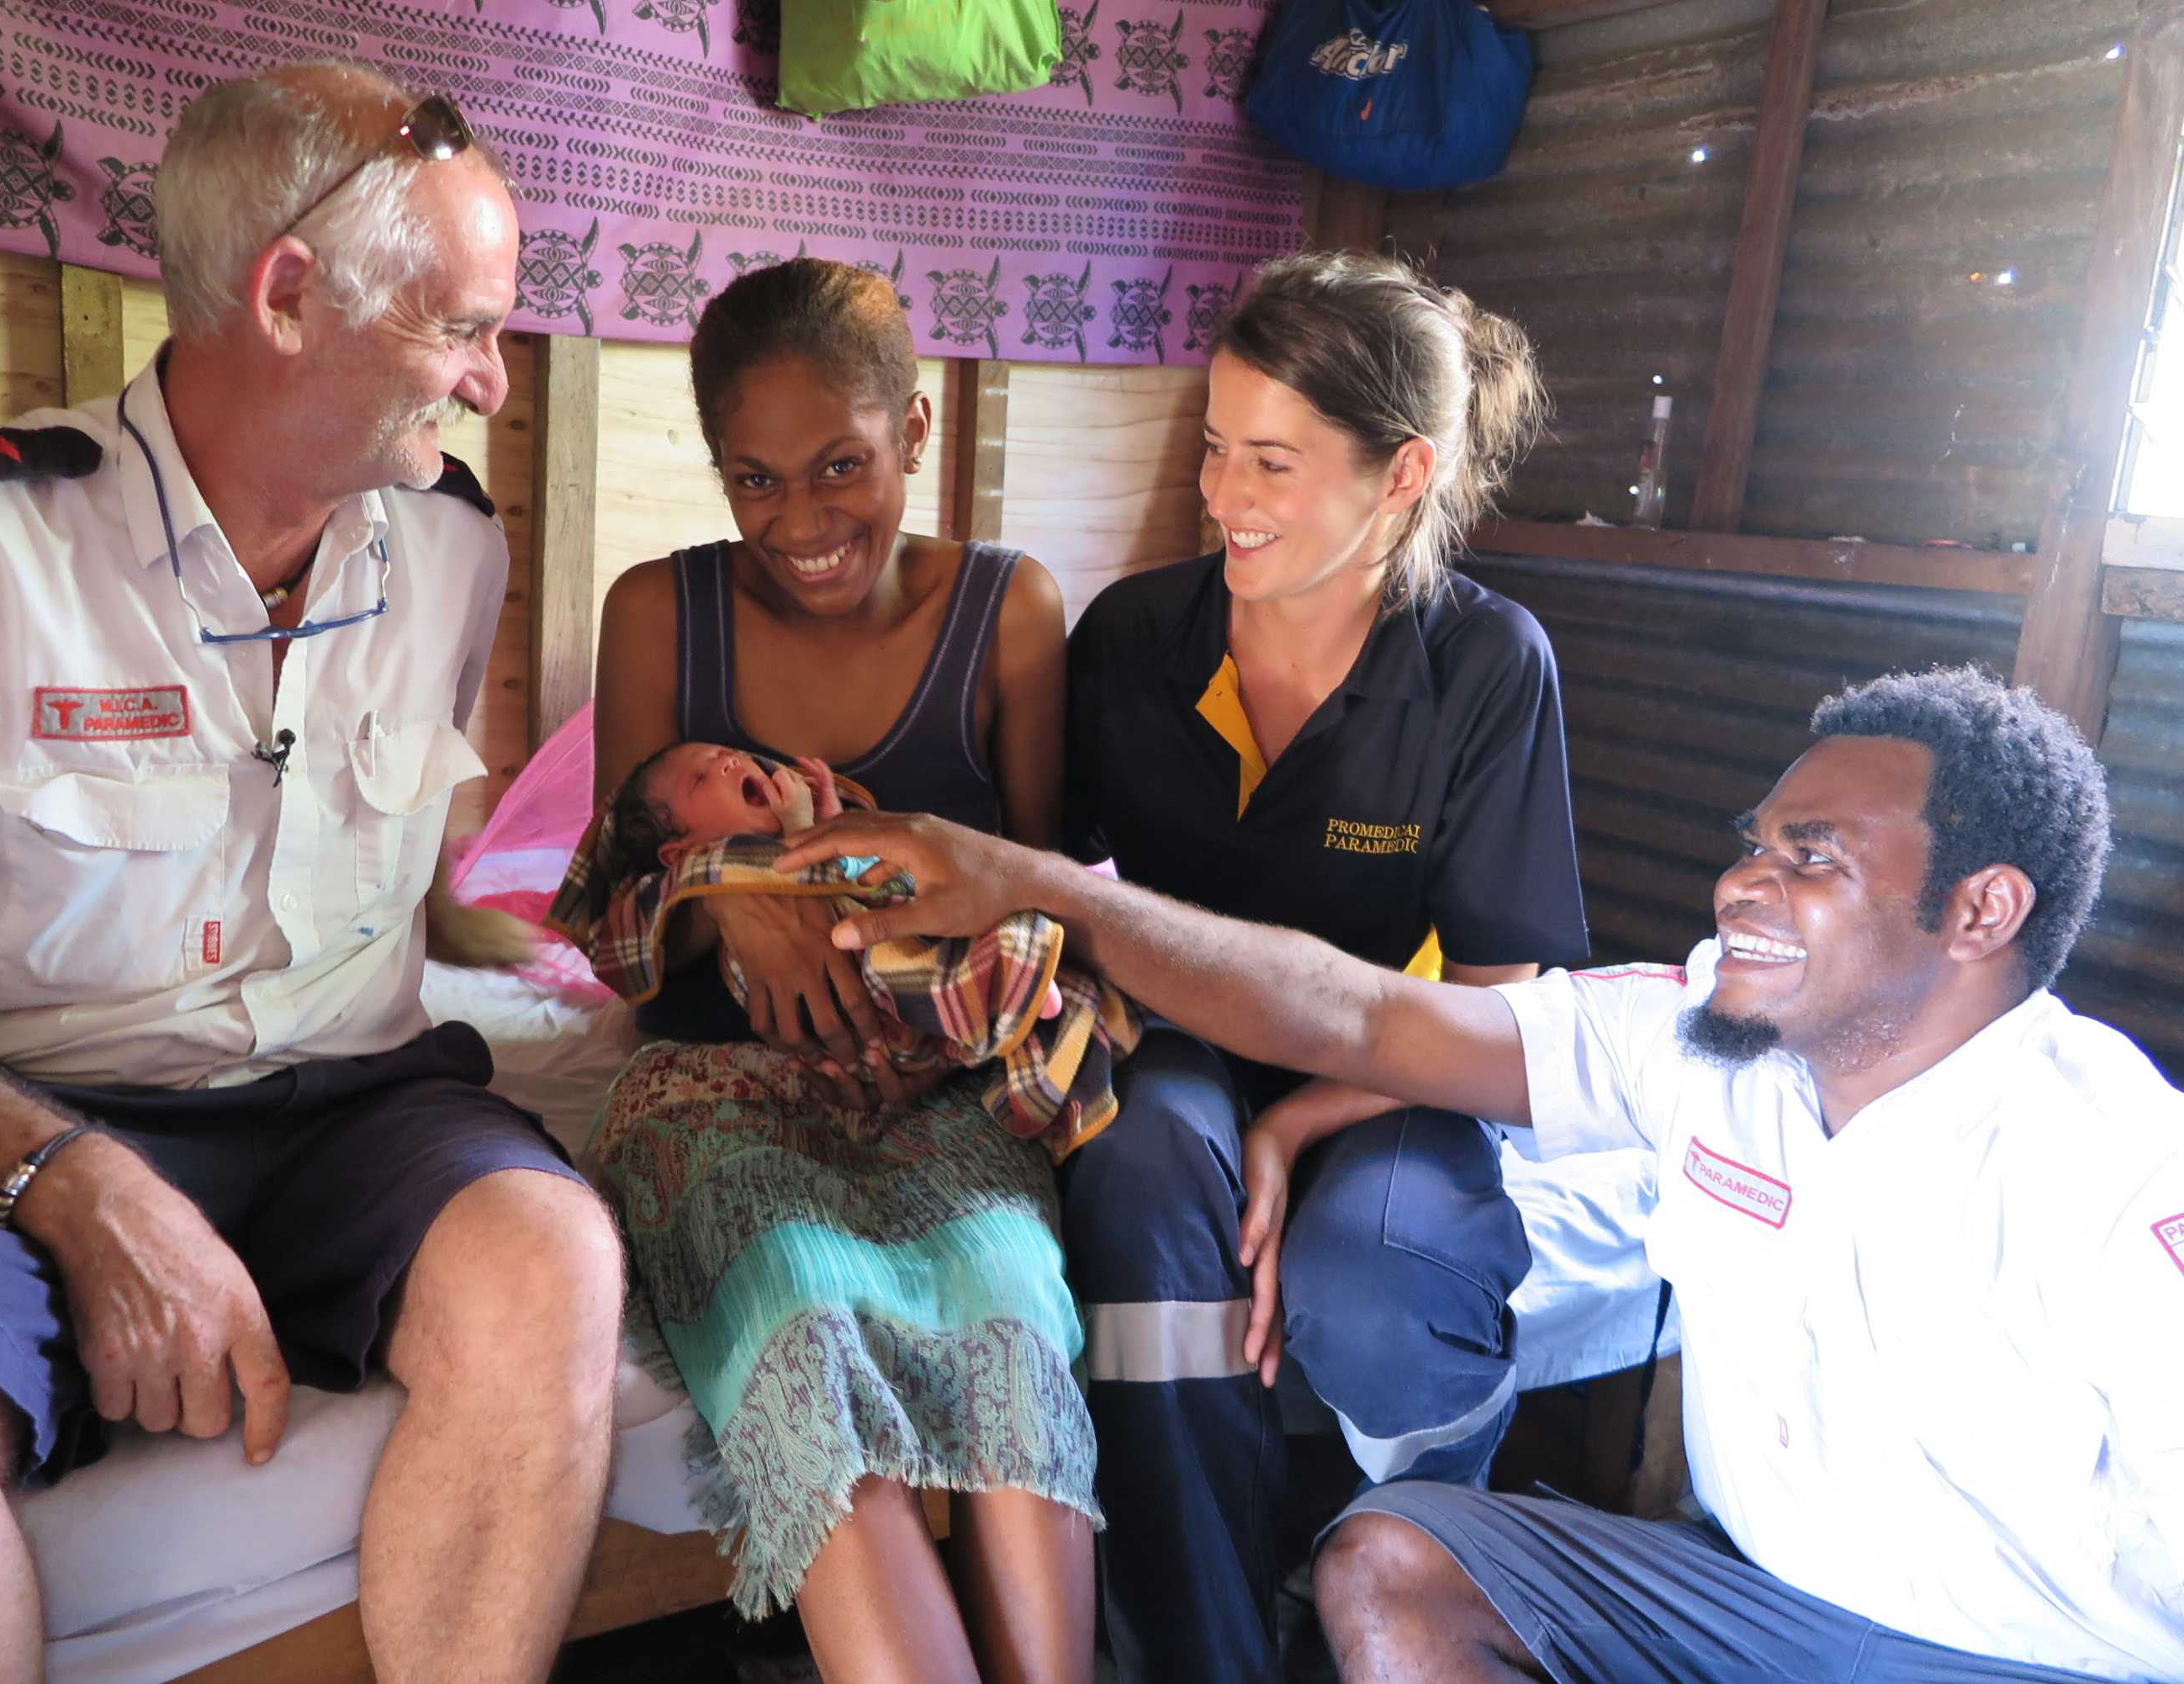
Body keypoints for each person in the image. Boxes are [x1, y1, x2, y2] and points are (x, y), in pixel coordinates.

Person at [0, 64, 623, 1684]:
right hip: (7, 1119)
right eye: (464, 329)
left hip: (352, 1107)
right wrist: (80, 1183)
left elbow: (395, 860)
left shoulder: (453, 548)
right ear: (288, 294)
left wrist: (558, 934)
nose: (488, 384)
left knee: (556, 1264)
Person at [776, 664, 2184, 1684]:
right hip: (1750, 1607)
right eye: (1753, 844)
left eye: (1809, 857)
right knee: (1391, 1560)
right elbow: (1362, 1014)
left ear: (1982, 909)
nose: (1742, 885)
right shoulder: (1701, 1040)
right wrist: (1047, 888)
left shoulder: (2111, 1171)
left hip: (2036, 1656)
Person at [1051, 250, 1586, 1680]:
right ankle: (1201, 1637)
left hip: (1388, 1058)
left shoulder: (1482, 667)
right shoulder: (1131, 639)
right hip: (1180, 1045)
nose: (1224, 496)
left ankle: (1407, 1575)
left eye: (1274, 463)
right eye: (1217, 450)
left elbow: (1500, 998)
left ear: (1400, 473)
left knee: (1381, 1274)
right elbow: (1046, 886)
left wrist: (1292, 1121)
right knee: (1149, 1173)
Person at [586, 257, 1097, 1684]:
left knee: (1012, 1320)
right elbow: (616, 896)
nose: (800, 523)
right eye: (753, 479)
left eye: (841, 468)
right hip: (711, 1088)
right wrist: (724, 889)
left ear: (916, 435)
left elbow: (1040, 892)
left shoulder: (1011, 611)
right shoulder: (655, 612)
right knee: (802, 1329)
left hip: (940, 1095)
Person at [563, 740, 1134, 1148]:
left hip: (881, 946)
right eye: (701, 778)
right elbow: (792, 868)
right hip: (840, 994)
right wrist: (803, 824)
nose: (729, 761)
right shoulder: (708, 869)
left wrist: (832, 821)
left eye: (723, 752)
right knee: (889, 967)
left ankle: (1029, 993)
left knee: (930, 939)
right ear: (678, 851)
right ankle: (1009, 987)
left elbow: (853, 866)